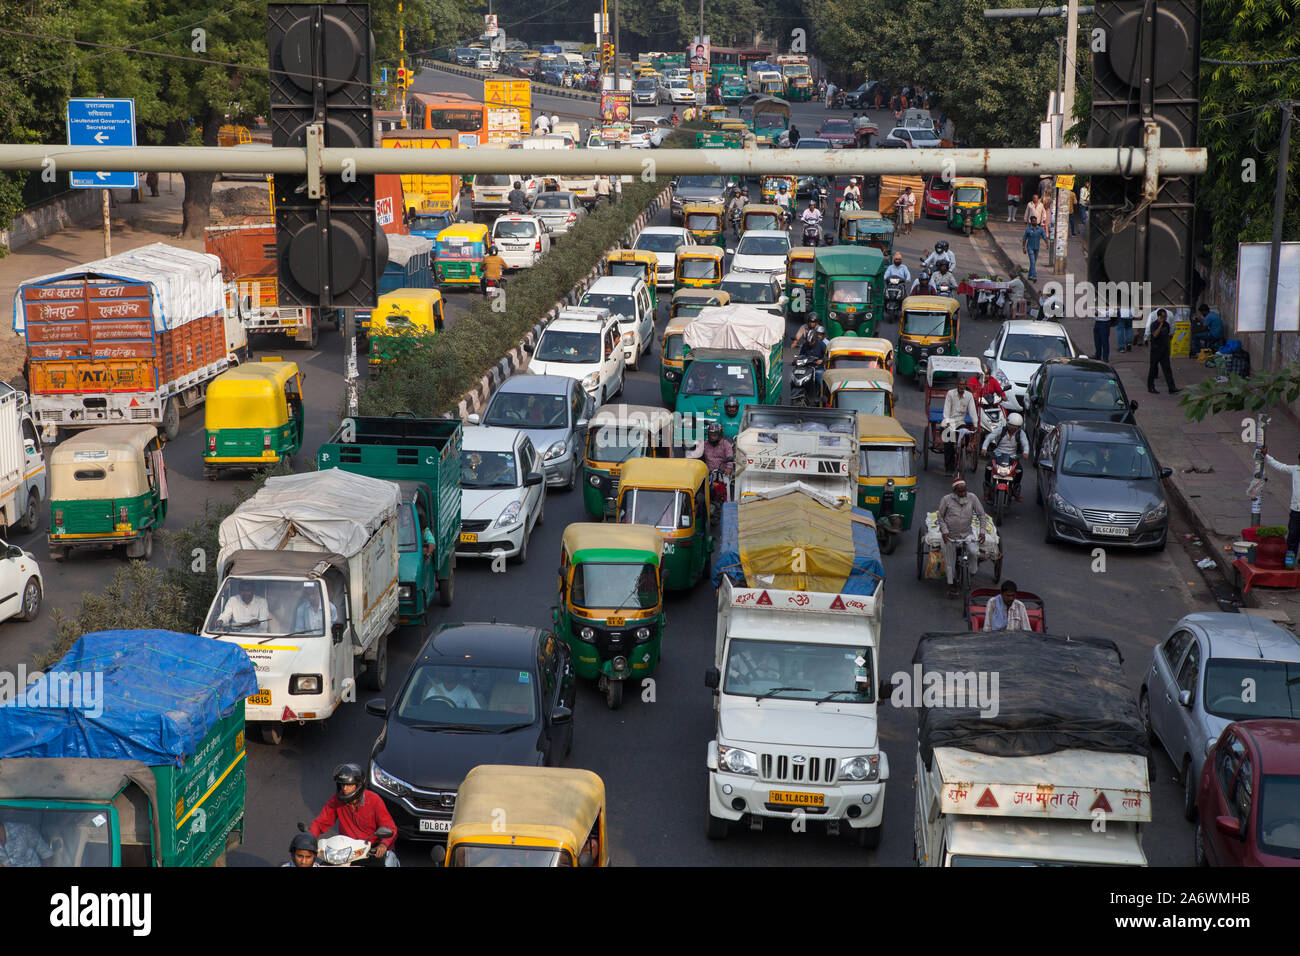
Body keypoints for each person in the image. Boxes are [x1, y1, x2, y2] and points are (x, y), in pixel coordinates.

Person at [309, 764, 399, 866]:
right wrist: (309, 839)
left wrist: (383, 844)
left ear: (358, 786)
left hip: (371, 850)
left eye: (349, 785)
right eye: (343, 785)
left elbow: (390, 827)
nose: (345, 789)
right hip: (347, 851)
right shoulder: (336, 800)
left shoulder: (374, 800)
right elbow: (320, 823)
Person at [936, 478, 986, 598]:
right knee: (950, 562)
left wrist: (982, 531)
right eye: (960, 492)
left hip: (967, 534)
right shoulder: (946, 499)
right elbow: (940, 517)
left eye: (964, 491)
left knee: (974, 552)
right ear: (955, 491)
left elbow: (981, 515)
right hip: (950, 537)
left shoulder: (972, 498)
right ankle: (952, 584)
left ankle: (972, 572)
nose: (963, 494)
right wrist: (944, 531)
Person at [981, 412, 1030, 501]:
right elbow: (989, 438)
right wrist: (984, 448)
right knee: (988, 467)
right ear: (1008, 424)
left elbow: (1025, 443)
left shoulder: (1021, 433)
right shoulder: (1001, 430)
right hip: (998, 454)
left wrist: (1026, 452)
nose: (1013, 428)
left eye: (1016, 426)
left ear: (1019, 427)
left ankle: (1015, 490)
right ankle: (987, 489)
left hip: (1012, 456)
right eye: (1011, 425)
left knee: (1019, 471)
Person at [1263, 445, 1300, 559]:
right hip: (1296, 510)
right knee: (1292, 536)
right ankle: (1289, 559)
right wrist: (1266, 456)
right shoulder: (1295, 469)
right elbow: (1280, 466)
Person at [942, 379, 978, 474]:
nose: (962, 386)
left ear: (966, 385)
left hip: (960, 422)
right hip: (950, 421)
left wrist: (975, 425)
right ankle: (949, 467)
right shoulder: (950, 393)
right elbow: (947, 409)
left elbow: (972, 411)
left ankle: (965, 453)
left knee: (966, 433)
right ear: (957, 385)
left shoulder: (969, 396)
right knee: (948, 442)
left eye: (964, 385)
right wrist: (947, 422)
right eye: (960, 384)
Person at [1145, 308, 1178, 394]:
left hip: (1164, 350)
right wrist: (1160, 325)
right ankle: (1151, 387)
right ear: (1159, 317)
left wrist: (1168, 346)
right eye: (1163, 317)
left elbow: (1168, 335)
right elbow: (1155, 335)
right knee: (1153, 369)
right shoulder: (1154, 325)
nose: (1165, 318)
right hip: (1156, 350)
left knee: (1167, 369)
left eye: (1165, 317)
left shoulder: (1167, 324)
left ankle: (1172, 387)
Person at [1021, 216, 1046, 281]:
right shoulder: (1028, 230)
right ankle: (1034, 276)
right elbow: (1024, 239)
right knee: (1032, 261)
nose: (1034, 222)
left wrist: (1047, 244)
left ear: (1037, 221)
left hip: (1037, 248)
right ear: (1031, 222)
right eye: (1033, 221)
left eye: (1035, 220)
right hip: (1030, 248)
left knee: (1033, 262)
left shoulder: (1040, 229)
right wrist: (1023, 248)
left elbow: (1044, 237)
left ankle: (1029, 275)